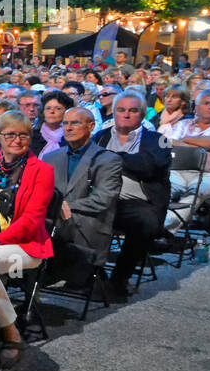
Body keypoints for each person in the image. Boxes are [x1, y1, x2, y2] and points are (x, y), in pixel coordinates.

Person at [0, 111, 55, 368]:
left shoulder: (43, 171)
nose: (17, 139)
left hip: (26, 247)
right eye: (10, 134)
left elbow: (32, 221)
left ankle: (10, 333)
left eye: (23, 134)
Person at [93, 91, 171, 300]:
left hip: (137, 202)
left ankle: (120, 278)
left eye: (133, 110)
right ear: (114, 113)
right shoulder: (101, 137)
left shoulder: (159, 139)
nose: (126, 115)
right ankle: (93, 275)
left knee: (144, 222)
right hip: (100, 198)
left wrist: (110, 157)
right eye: (121, 110)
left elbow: (148, 165)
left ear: (143, 114)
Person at [44, 106, 122, 285]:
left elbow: (103, 199)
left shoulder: (108, 160)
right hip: (55, 220)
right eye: (65, 123)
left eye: (75, 123)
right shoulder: (51, 157)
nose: (69, 128)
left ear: (91, 126)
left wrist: (65, 205)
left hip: (87, 221)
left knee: (50, 223)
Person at [161, 88, 210, 235]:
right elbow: (170, 143)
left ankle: (163, 228)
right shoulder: (183, 124)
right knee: (163, 188)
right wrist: (202, 146)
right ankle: (152, 225)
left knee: (198, 191)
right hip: (177, 171)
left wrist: (185, 140)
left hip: (209, 174)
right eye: (207, 103)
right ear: (196, 108)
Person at [35, 90, 73, 158]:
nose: (52, 111)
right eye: (48, 108)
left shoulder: (72, 136)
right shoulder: (33, 136)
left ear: (67, 112)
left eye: (58, 108)